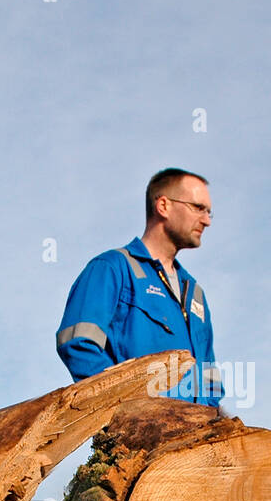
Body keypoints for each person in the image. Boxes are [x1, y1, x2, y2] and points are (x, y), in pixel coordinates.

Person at [56, 168, 225, 407]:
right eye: (198, 208)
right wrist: (127, 409)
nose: (206, 220)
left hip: (194, 439)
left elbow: (210, 376)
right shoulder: (112, 268)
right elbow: (78, 343)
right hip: (137, 439)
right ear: (163, 205)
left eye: (209, 212)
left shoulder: (195, 293)